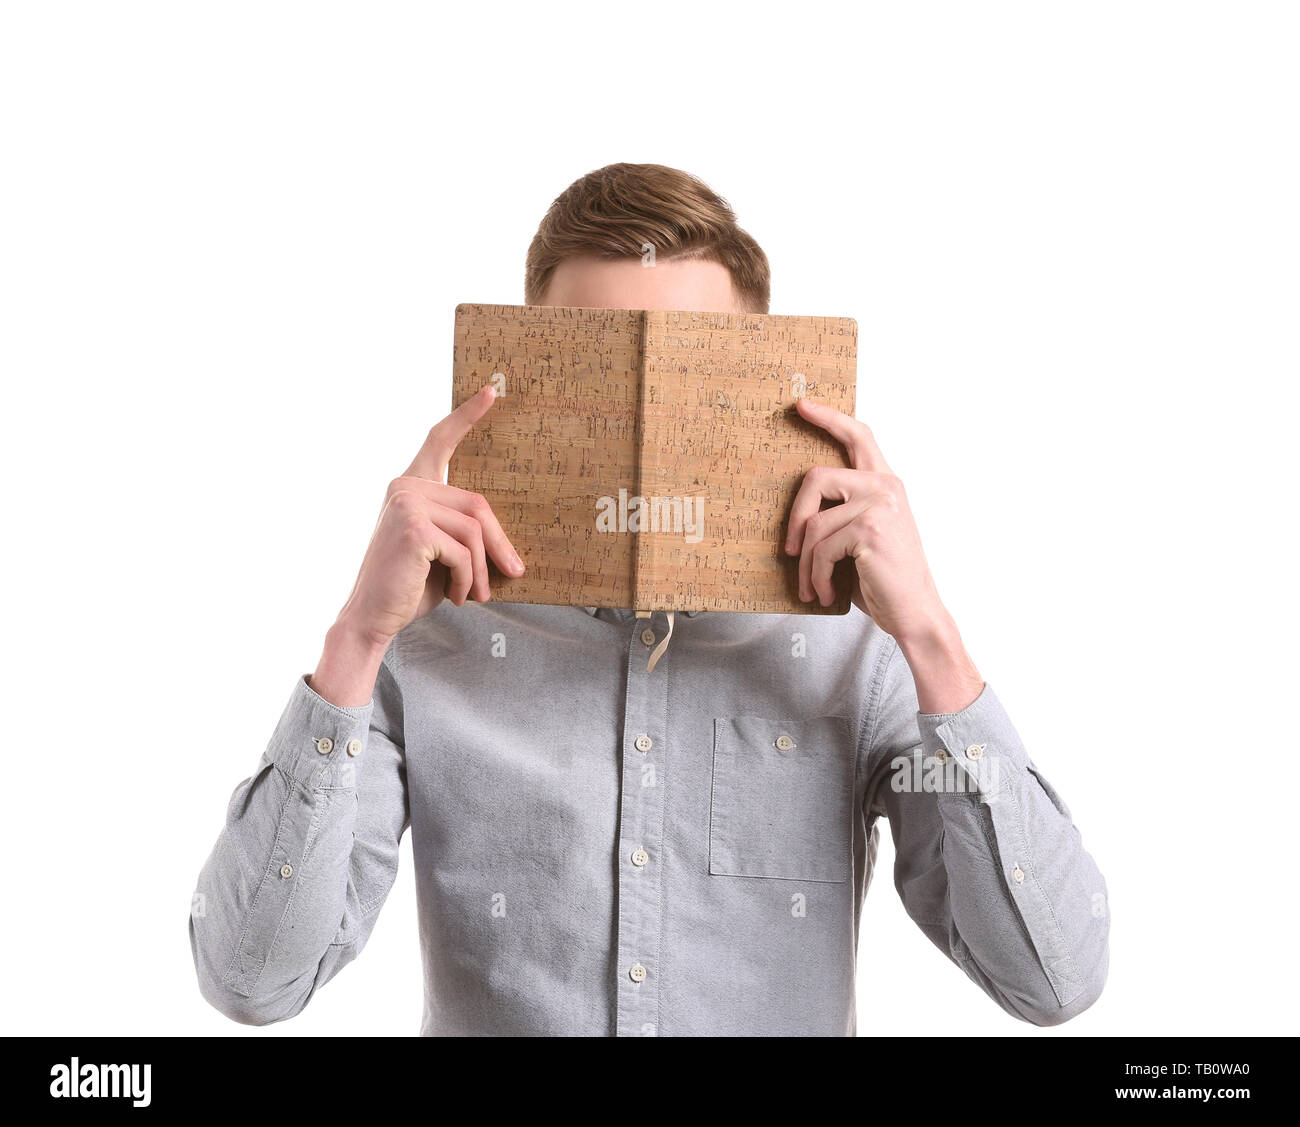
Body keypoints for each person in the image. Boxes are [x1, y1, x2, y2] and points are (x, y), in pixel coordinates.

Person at [189, 163, 1109, 1035]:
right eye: (591, 368)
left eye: (697, 373)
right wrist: (357, 636)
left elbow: (1052, 978)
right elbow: (251, 978)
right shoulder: (429, 649)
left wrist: (932, 637)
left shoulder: (853, 656)